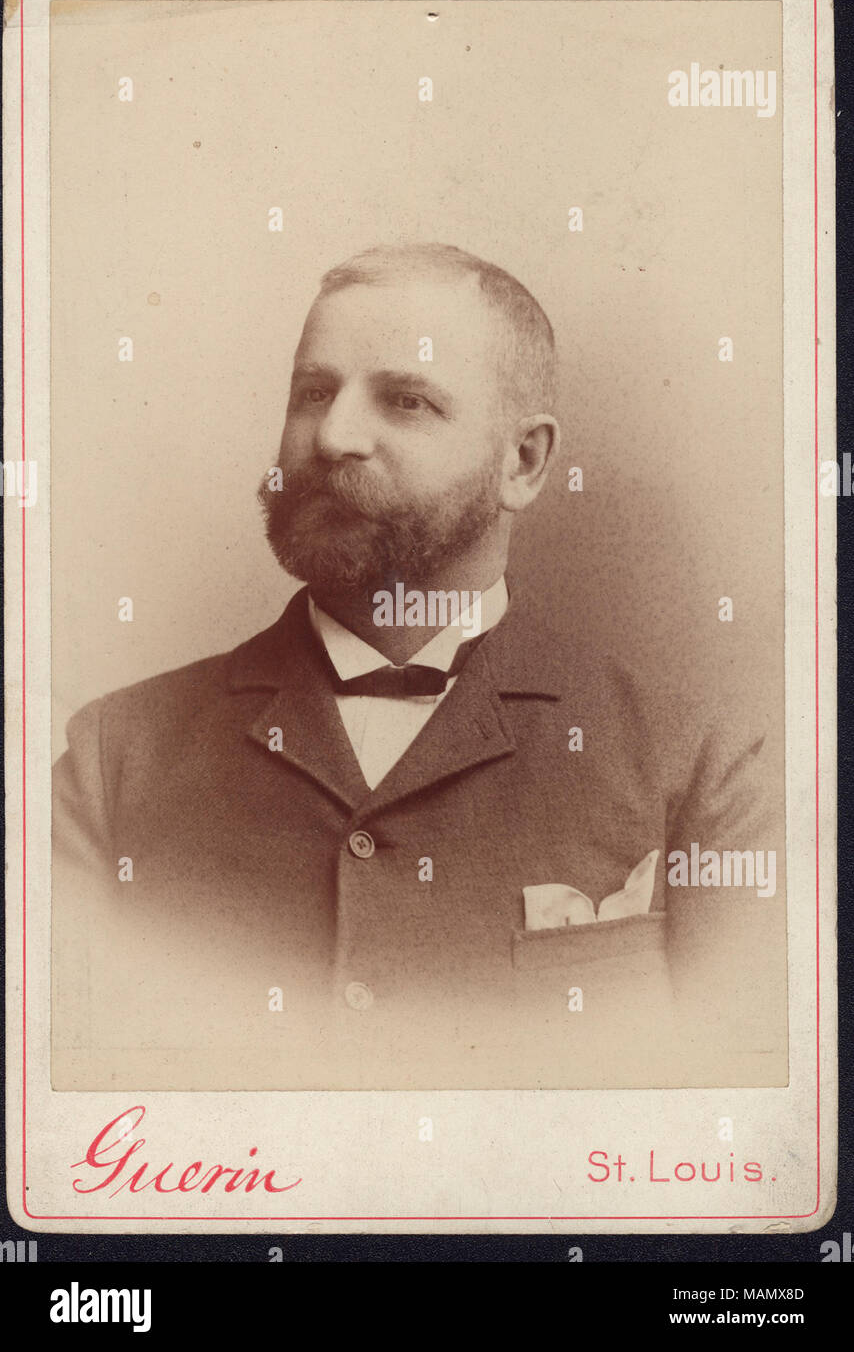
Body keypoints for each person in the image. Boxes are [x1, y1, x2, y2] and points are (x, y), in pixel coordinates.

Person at [52, 243, 787, 1091]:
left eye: (405, 400)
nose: (332, 436)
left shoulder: (697, 766)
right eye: (312, 393)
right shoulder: (113, 758)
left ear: (525, 463)